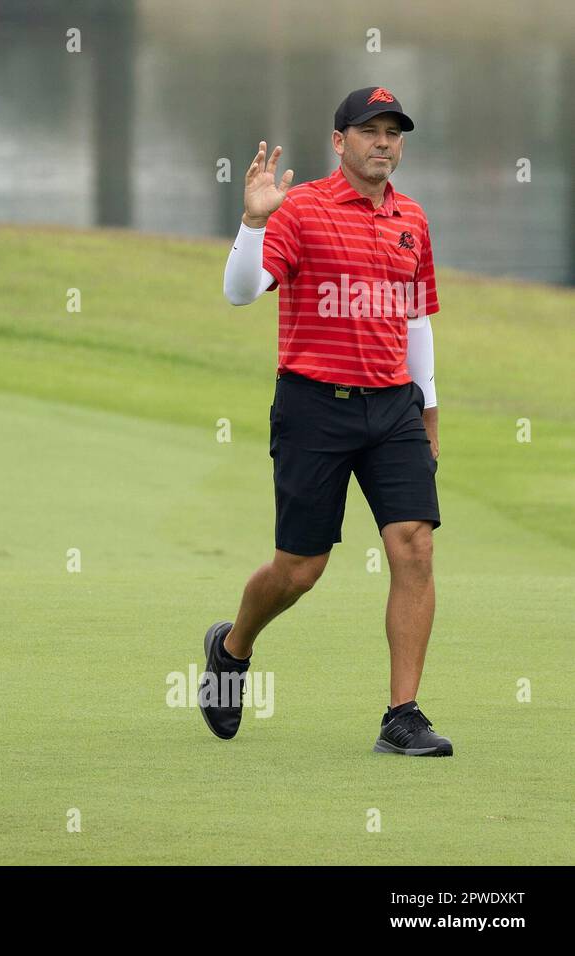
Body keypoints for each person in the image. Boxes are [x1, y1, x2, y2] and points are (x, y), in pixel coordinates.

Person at [205, 88, 452, 756]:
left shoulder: (413, 219)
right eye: (368, 131)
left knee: (415, 546)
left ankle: (403, 715)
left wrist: (428, 413)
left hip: (393, 407)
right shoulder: (301, 208)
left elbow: (416, 319)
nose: (383, 142)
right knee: (299, 570)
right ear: (339, 141)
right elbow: (239, 291)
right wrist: (254, 223)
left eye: (393, 132)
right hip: (314, 406)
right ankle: (231, 649)